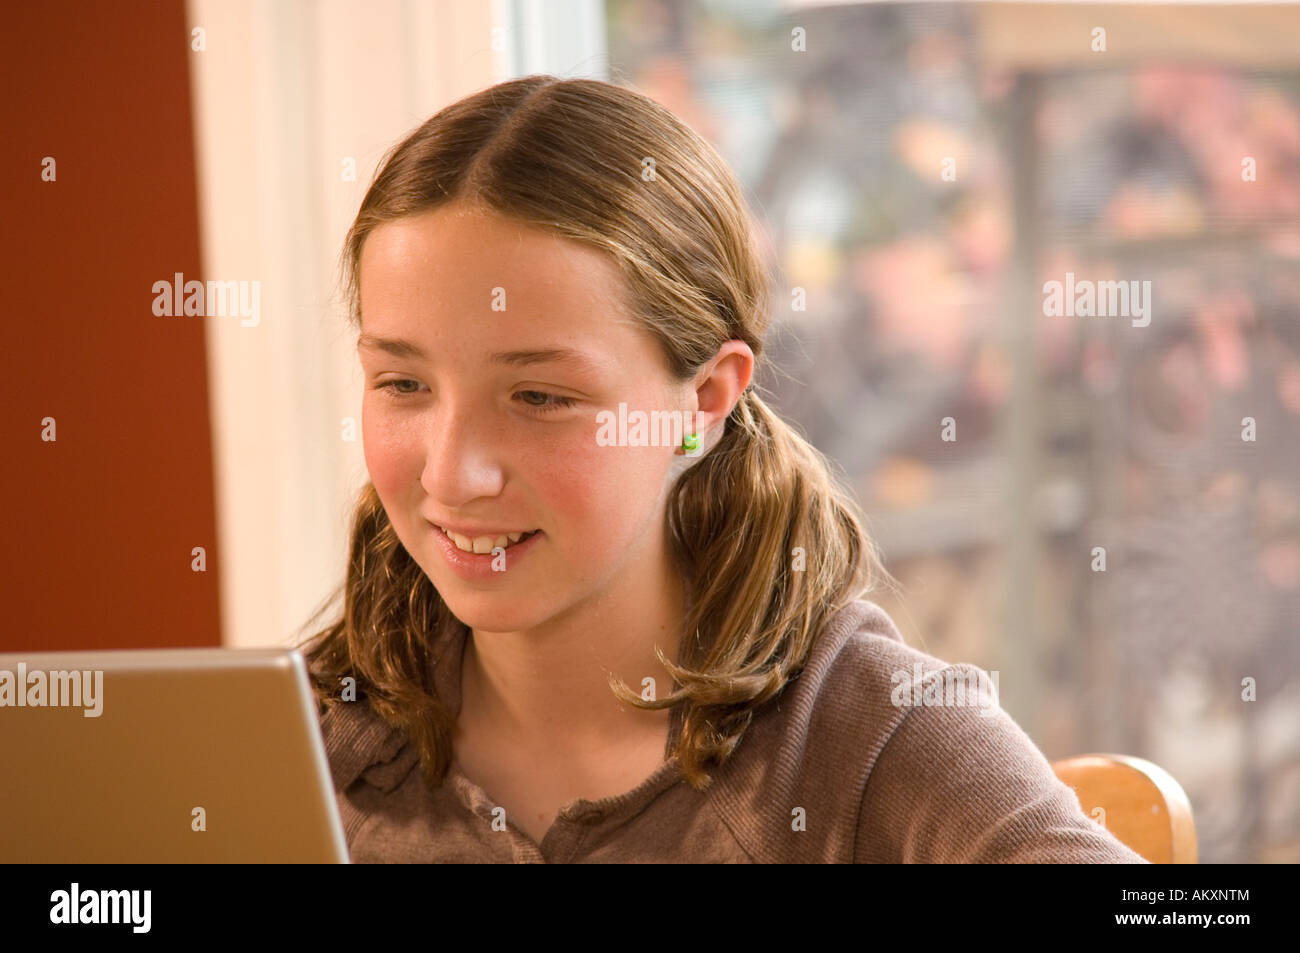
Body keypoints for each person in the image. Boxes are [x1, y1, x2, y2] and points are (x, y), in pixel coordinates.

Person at [296, 74, 1147, 864]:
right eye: (403, 383)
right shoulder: (296, 747)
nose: (454, 474)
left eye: (540, 397)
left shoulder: (867, 737)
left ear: (703, 401)